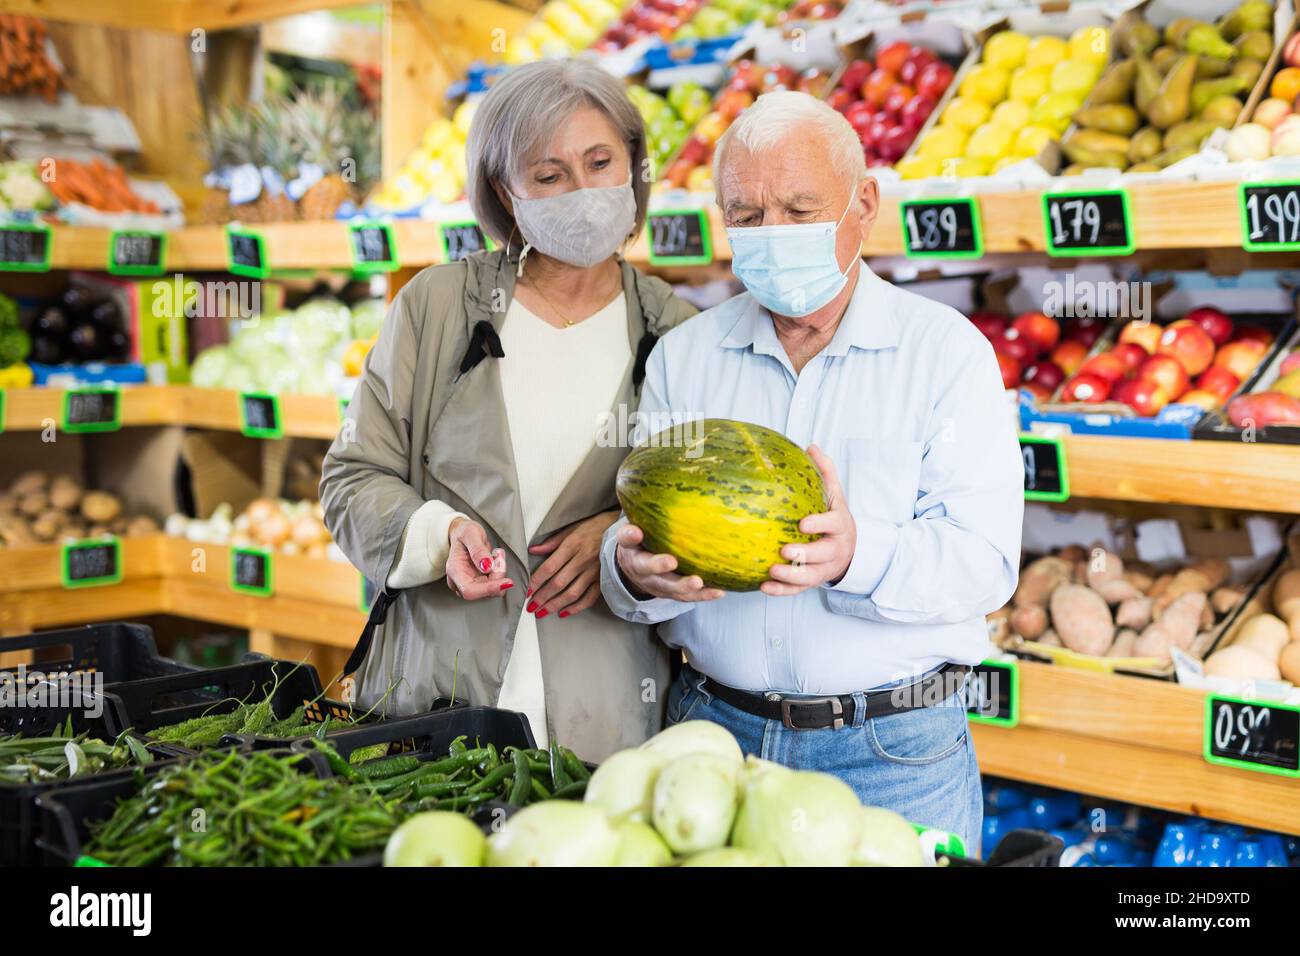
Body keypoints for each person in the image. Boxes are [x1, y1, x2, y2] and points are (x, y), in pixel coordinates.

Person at [599, 90, 1022, 850]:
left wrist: (858, 554)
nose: (773, 237)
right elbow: (645, 535)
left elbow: (985, 566)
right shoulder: (685, 358)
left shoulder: (946, 355)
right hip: (713, 739)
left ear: (864, 203)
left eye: (799, 209)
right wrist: (631, 574)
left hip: (894, 753)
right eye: (748, 217)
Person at [321, 59, 695, 760]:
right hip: (432, 716)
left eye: (600, 161)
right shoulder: (435, 309)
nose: (582, 191)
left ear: (635, 166)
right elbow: (350, 479)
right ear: (506, 190)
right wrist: (438, 532)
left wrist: (620, 531)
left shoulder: (678, 334)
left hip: (606, 726)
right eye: (549, 176)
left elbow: (699, 514)